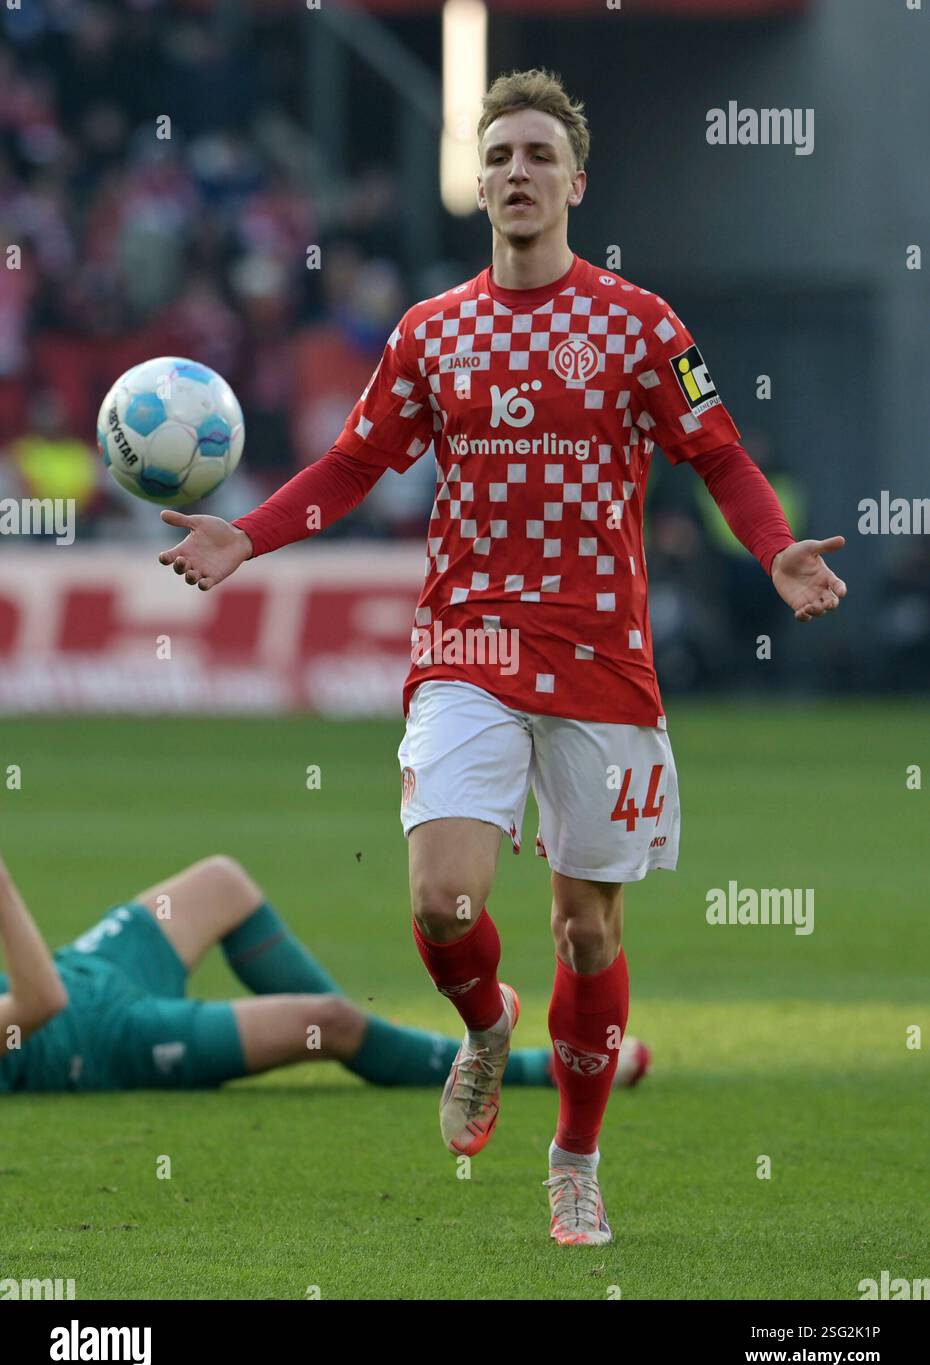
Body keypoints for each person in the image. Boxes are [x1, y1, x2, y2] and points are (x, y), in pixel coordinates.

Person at [156, 68, 846, 1244]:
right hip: (466, 646)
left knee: (591, 929)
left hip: (603, 656)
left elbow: (721, 454)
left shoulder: (643, 325)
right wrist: (250, 533)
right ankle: (485, 1027)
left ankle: (573, 1157)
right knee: (441, 899)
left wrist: (773, 548)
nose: (518, 173)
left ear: (576, 182)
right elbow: (354, 465)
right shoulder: (433, 332)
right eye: (500, 157)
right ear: (478, 185)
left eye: (539, 156)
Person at [0, 852, 649, 1095]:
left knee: (222, 882)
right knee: (328, 1023)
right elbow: (41, 1000)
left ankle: (375, 1045)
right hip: (105, 1041)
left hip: (93, 966)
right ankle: (537, 1068)